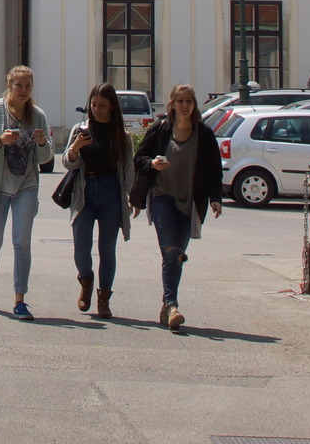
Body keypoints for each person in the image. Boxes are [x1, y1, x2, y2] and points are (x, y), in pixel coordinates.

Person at [130, 83, 223, 330]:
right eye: (180, 101)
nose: (184, 106)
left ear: (194, 106)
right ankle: (172, 305)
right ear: (171, 105)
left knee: (177, 256)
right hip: (162, 197)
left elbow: (214, 169)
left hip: (190, 201)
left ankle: (166, 305)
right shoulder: (160, 130)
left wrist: (215, 198)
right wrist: (152, 164)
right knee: (170, 251)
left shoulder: (204, 134)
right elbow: (138, 158)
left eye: (188, 102)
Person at [0, 65, 51, 320]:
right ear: (9, 85)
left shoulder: (37, 115)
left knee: (22, 242)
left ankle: (20, 299)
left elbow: (46, 158)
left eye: (28, 86)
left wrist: (41, 143)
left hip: (25, 185)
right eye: (19, 86)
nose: (24, 91)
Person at [63, 82, 134, 319]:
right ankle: (86, 281)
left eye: (102, 105)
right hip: (85, 191)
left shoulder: (121, 135)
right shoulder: (80, 130)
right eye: (94, 105)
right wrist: (74, 150)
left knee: (107, 250)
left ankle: (104, 298)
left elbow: (128, 170)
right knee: (81, 246)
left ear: (112, 106)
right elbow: (67, 162)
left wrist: (131, 197)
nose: (97, 110)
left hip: (111, 192)